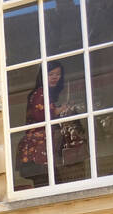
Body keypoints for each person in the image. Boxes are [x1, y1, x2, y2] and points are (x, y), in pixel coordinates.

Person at [15, 59, 86, 188]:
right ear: (43, 75)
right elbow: (41, 115)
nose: (55, 77)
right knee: (49, 182)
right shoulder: (41, 92)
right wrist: (59, 110)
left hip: (42, 150)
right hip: (38, 150)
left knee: (50, 182)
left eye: (58, 74)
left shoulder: (43, 93)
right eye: (51, 74)